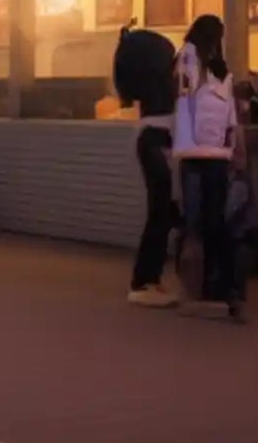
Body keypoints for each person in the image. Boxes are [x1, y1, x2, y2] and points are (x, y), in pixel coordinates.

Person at [172, 15, 243, 321]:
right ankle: (220, 288)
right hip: (212, 154)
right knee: (213, 223)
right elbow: (230, 117)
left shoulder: (195, 64)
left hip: (197, 153)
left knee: (197, 222)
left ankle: (200, 287)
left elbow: (226, 114)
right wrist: (234, 148)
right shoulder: (208, 66)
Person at [113, 27, 180, 308]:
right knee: (160, 213)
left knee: (161, 213)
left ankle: (149, 277)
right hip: (156, 144)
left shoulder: (152, 88)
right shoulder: (162, 88)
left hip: (151, 142)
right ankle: (143, 280)